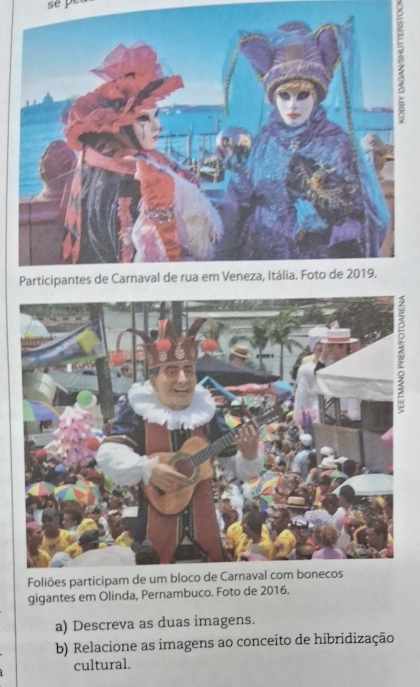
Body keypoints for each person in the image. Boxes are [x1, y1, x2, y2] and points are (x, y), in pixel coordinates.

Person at [96, 318, 263, 563]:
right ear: (153, 381)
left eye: (189, 370)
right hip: (155, 532)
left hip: (204, 532)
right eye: (172, 372)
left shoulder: (207, 414)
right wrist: (147, 469)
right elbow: (109, 452)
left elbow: (235, 465)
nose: (183, 380)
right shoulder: (139, 414)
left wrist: (248, 455)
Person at [219, 21, 387, 260]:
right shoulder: (264, 140)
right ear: (273, 99)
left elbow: (365, 221)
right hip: (260, 252)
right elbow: (248, 200)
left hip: (315, 258)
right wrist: (238, 177)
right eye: (284, 96)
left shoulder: (338, 144)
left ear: (316, 96)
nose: (292, 105)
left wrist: (325, 230)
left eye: (302, 95)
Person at [62, 42, 222, 265]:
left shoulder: (107, 164)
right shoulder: (136, 179)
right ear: (120, 126)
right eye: (144, 118)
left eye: (156, 116)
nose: (158, 127)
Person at [293, 326, 328, 422]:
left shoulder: (336, 365)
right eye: (319, 343)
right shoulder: (305, 369)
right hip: (316, 415)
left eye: (325, 343)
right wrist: (300, 421)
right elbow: (301, 397)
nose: (323, 346)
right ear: (312, 347)